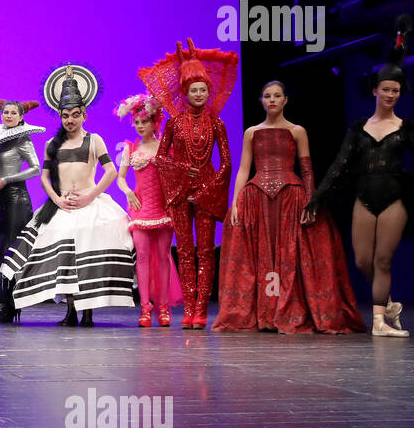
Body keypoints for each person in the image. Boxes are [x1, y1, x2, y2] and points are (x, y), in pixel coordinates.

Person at [304, 24, 414, 336]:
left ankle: (379, 322)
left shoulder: (408, 128)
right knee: (363, 260)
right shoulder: (357, 127)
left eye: (396, 90)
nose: (391, 94)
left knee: (383, 260)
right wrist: (317, 197)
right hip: (363, 196)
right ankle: (388, 304)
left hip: (394, 198)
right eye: (386, 89)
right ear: (375, 90)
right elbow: (339, 165)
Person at [211, 81, 364, 334]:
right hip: (256, 197)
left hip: (290, 198)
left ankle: (286, 309)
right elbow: (243, 170)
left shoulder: (297, 131)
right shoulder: (251, 132)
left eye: (277, 95)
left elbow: (306, 170)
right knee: (260, 255)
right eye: (267, 96)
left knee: (289, 253)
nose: (272, 100)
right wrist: (236, 202)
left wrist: (309, 201)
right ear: (261, 100)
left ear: (285, 100)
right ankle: (265, 313)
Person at [1, 66, 135, 325]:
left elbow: (110, 171)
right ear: (60, 116)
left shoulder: (95, 140)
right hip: (62, 206)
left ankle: (88, 313)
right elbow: (44, 176)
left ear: (84, 115)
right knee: (66, 259)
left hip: (90, 204)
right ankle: (71, 311)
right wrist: (56, 199)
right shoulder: (53, 144)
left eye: (75, 115)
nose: (70, 120)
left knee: (87, 254)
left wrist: (90, 196)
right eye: (65, 115)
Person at [138, 38, 238, 329]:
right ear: (185, 92)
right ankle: (189, 309)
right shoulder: (174, 123)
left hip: (205, 194)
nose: (198, 93)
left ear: (209, 92)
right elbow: (161, 159)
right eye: (193, 89)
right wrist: (182, 174)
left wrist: (207, 189)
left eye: (203, 89)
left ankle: (201, 310)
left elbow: (227, 162)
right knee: (184, 251)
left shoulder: (216, 123)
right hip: (181, 193)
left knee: (205, 252)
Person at [114, 93, 183, 327]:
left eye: (145, 121)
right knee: (141, 258)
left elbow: (177, 175)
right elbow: (120, 178)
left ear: (155, 122)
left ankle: (163, 307)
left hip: (163, 208)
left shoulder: (166, 146)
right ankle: (145, 307)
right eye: (137, 122)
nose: (140, 126)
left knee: (163, 256)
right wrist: (128, 191)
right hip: (140, 208)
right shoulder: (130, 148)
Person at [0, 98, 44, 324]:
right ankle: (6, 303)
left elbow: (36, 168)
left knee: (12, 251)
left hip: (16, 198)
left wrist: (7, 179)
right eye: (5, 112)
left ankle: (13, 305)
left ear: (21, 117)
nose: (8, 116)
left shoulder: (23, 138)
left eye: (13, 113)